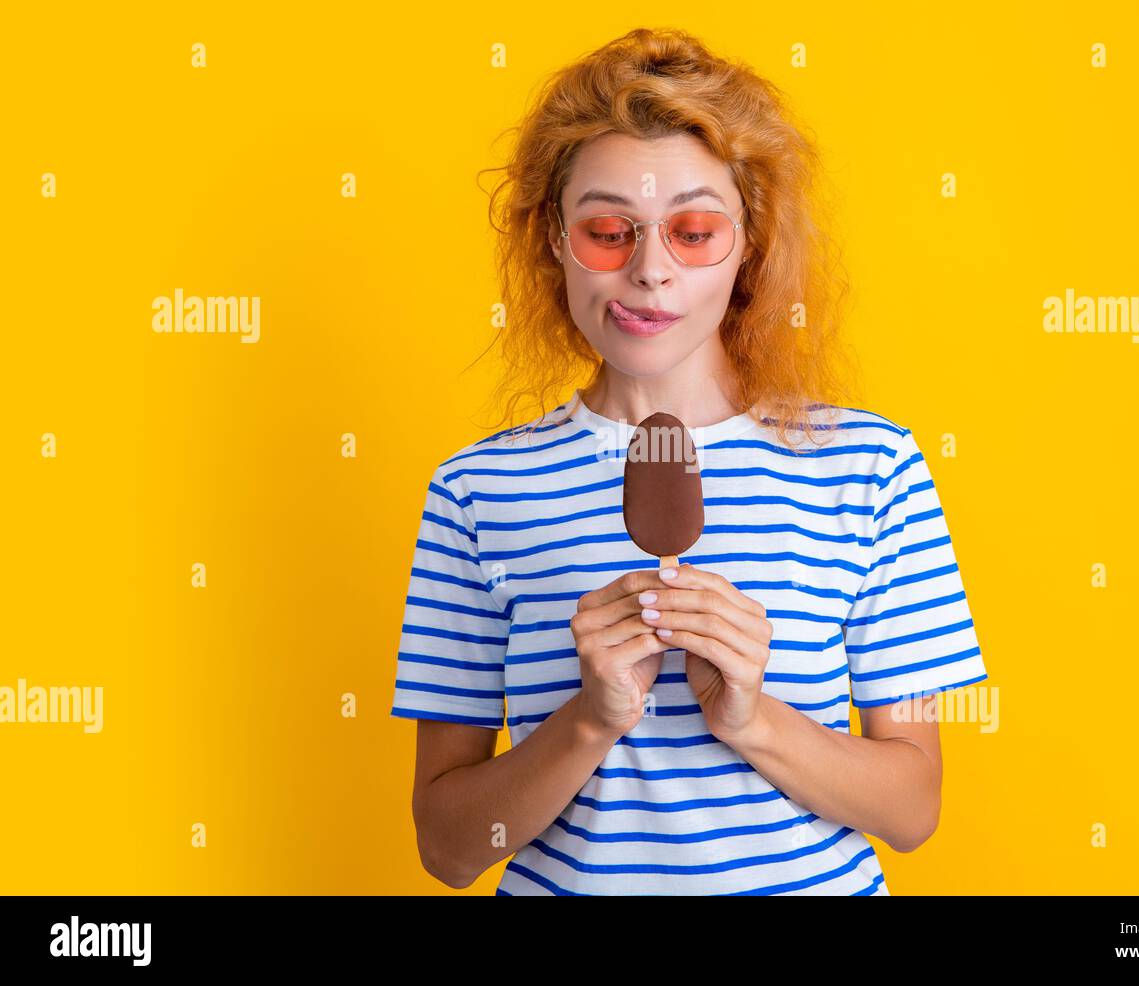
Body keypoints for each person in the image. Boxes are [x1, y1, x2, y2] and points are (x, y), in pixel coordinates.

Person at [390, 27, 988, 895]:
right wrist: (591, 720)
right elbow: (448, 851)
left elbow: (912, 812)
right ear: (555, 241)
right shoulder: (478, 492)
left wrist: (751, 719)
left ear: (750, 244)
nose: (649, 273)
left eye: (695, 231)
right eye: (607, 230)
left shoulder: (870, 468)